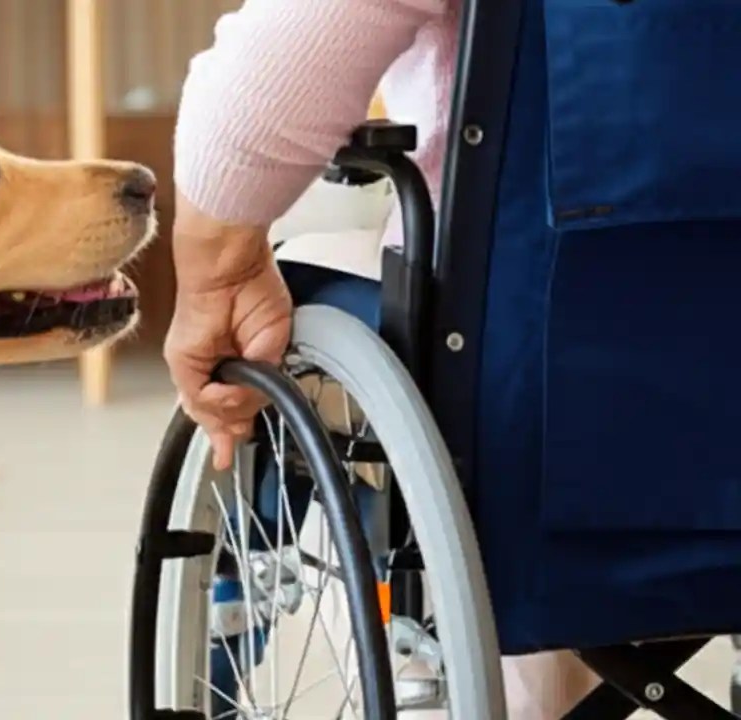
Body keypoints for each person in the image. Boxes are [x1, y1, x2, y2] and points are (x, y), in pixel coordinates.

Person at [164, 0, 596, 717]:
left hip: (534, 374)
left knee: (294, 304)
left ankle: (252, 603)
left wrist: (214, 275)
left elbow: (257, 95)